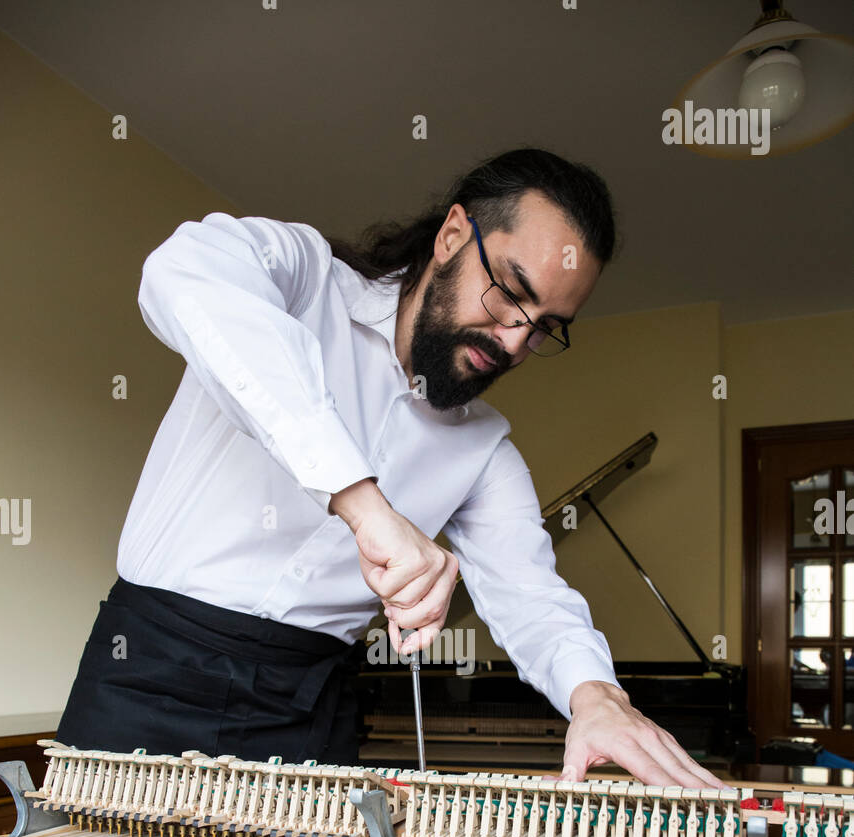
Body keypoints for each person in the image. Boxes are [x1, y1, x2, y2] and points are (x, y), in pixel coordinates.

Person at [57, 147, 722, 789]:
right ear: (454, 235)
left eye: (546, 326)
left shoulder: (487, 452)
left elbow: (534, 599)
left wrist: (596, 696)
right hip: (147, 671)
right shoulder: (303, 279)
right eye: (510, 292)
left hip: (310, 712)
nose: (516, 341)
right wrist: (365, 505)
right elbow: (180, 273)